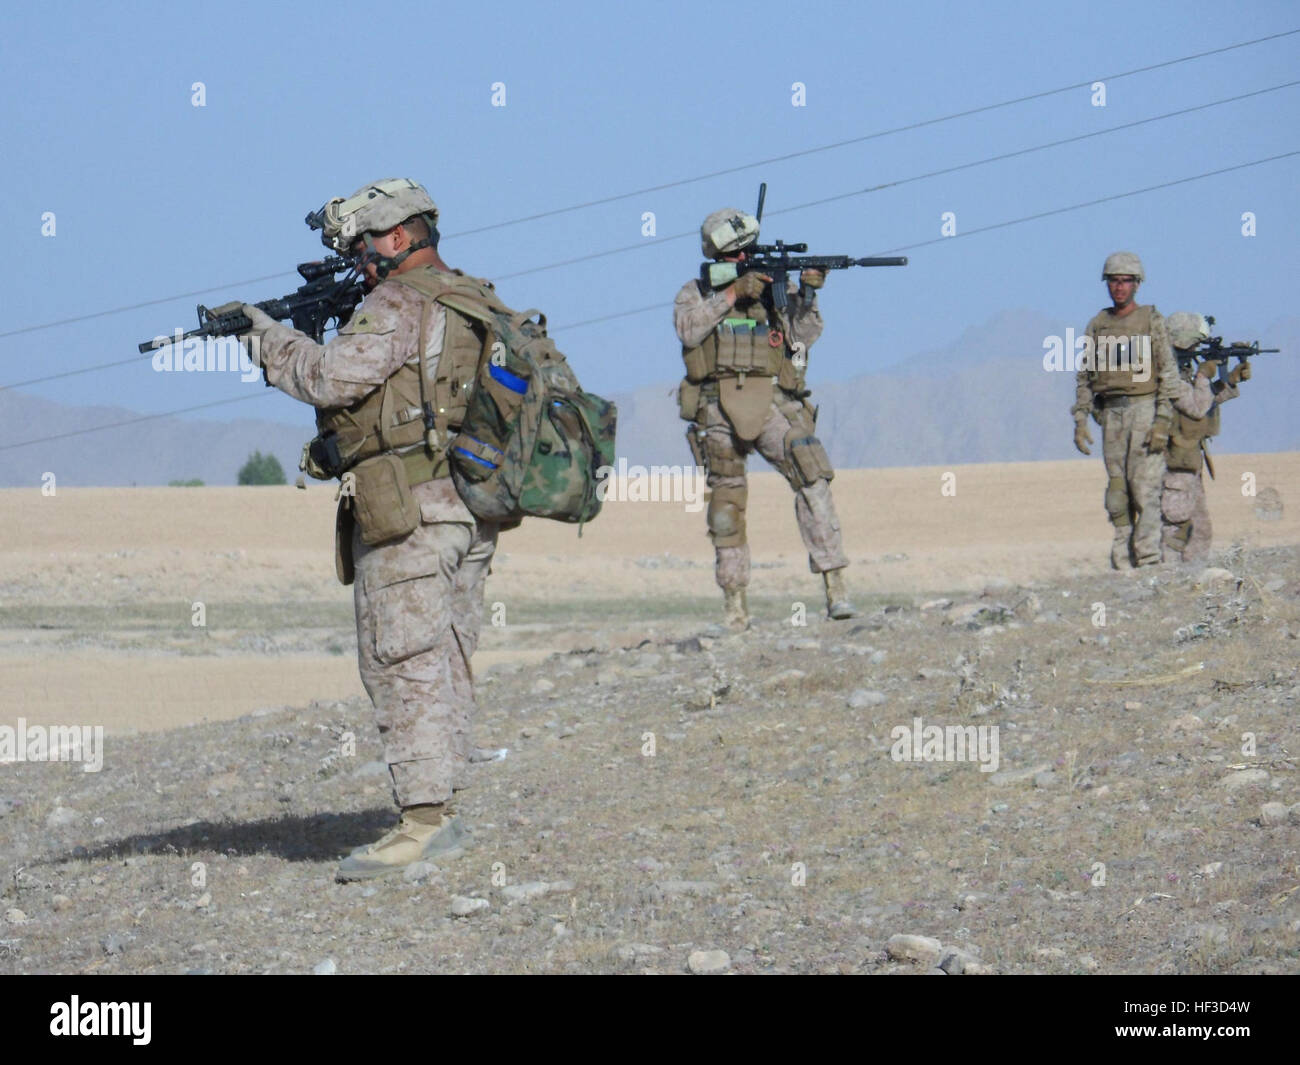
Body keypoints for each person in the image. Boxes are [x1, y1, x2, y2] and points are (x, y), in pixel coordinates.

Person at [229, 178, 501, 881]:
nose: (358, 256)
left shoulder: (397, 302)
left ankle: (420, 823)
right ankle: (440, 809)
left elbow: (328, 378)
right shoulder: (473, 294)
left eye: (366, 242)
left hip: (408, 513)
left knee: (402, 662)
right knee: (447, 657)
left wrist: (269, 338)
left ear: (404, 235)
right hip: (470, 508)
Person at [675, 207, 856, 630]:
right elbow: (688, 330)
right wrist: (733, 294)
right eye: (738, 255)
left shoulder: (776, 287)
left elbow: (801, 339)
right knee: (727, 502)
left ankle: (836, 586)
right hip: (717, 404)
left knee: (811, 472)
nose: (745, 260)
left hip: (771, 398)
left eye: (748, 253)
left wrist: (807, 295)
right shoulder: (696, 291)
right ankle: (735, 605)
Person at [1071, 251, 1186, 568]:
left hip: (1143, 411)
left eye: (1125, 281)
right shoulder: (1098, 325)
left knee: (1145, 489)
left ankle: (1148, 559)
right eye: (1113, 281)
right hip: (1111, 416)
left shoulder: (1151, 320)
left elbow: (1168, 374)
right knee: (1117, 492)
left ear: (1136, 284)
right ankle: (1123, 561)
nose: (1118, 288)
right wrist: (1081, 420)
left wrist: (1163, 420)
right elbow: (1084, 377)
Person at [1161, 311, 1250, 562]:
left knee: (1199, 529)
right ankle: (1168, 582)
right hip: (1173, 462)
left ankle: (1192, 583)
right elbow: (1197, 407)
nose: (1197, 348)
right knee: (1176, 527)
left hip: (1189, 458)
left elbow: (1204, 401)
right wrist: (1204, 376)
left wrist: (1230, 381)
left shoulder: (1183, 370)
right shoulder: (1165, 373)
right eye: (1195, 343)